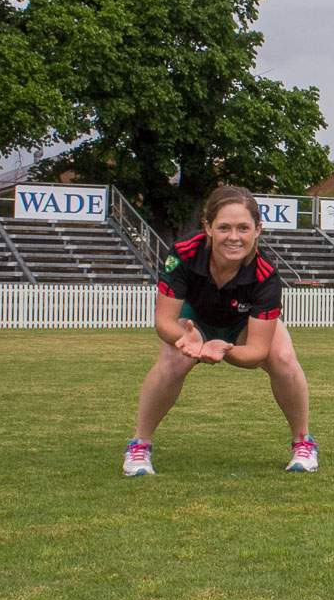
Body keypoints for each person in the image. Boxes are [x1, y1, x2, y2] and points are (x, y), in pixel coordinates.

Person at [124, 185, 319, 477]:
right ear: (208, 227)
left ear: (258, 230)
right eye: (224, 227)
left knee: (282, 357)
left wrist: (224, 350)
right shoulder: (183, 253)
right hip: (195, 320)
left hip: (242, 326)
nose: (234, 237)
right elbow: (164, 321)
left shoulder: (266, 275)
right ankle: (139, 446)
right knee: (174, 360)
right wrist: (184, 339)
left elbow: (256, 353)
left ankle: (303, 442)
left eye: (243, 227)